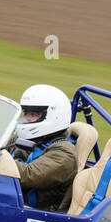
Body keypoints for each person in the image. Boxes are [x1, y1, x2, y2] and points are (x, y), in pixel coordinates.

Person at [10, 84, 77, 212]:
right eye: (26, 113)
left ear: (53, 116)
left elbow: (26, 175)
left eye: (34, 114)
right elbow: (0, 145)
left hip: (31, 211)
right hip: (11, 197)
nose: (27, 118)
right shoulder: (33, 138)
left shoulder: (64, 153)